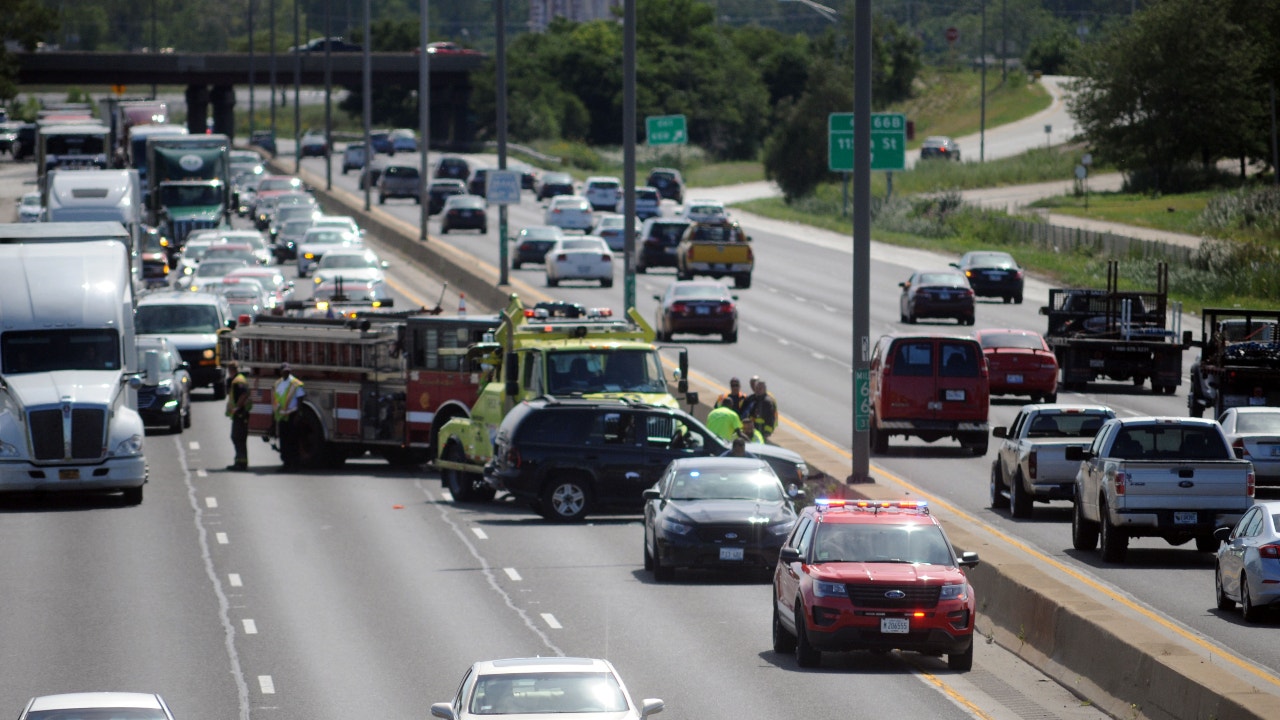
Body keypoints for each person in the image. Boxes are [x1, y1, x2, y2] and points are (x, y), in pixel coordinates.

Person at [272, 362, 305, 471]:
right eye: (284, 370)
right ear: (280, 372)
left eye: (288, 370)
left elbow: (300, 398)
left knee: (293, 441)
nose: (286, 372)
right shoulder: (278, 383)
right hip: (282, 416)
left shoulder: (295, 383)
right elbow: (276, 399)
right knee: (284, 441)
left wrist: (299, 414)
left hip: (292, 415)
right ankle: (286, 463)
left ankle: (295, 464)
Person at [225, 361, 252, 470]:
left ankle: (241, 463)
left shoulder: (238, 380)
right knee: (238, 438)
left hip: (241, 414)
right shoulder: (237, 379)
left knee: (238, 438)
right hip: (240, 414)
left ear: (231, 370)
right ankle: (239, 462)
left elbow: (244, 394)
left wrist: (237, 408)